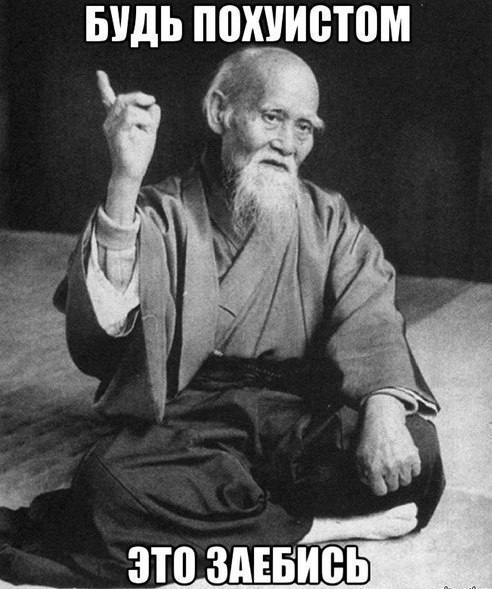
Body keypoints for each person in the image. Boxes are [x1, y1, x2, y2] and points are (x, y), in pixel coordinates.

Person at [0, 47, 444, 586]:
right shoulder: (162, 211)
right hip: (191, 415)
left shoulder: (328, 218)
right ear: (219, 112)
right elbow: (102, 339)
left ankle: (229, 517)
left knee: (417, 451)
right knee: (111, 483)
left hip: (293, 411)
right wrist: (124, 179)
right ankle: (310, 530)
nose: (288, 143)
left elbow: (370, 317)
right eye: (272, 117)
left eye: (304, 127)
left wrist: (384, 416)